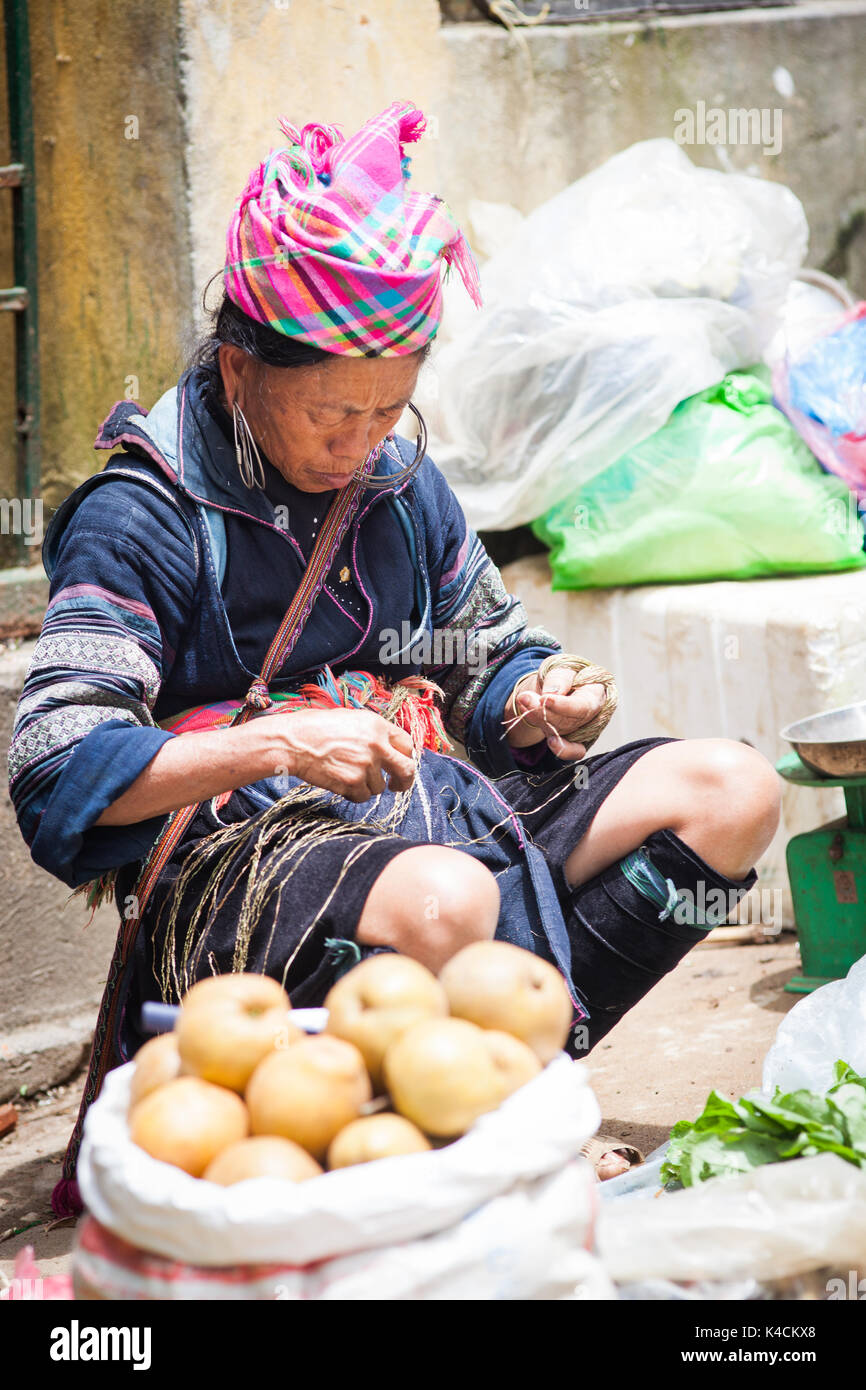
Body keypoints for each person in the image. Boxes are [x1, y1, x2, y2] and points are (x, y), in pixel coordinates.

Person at [8, 102, 781, 1211]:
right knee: (439, 900)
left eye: (386, 407)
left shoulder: (396, 481)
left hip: (435, 812)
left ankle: (512, 1088)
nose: (360, 442)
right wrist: (271, 742)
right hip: (243, 869)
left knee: (726, 789)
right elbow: (56, 775)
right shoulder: (143, 512)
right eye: (331, 410)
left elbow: (486, 659)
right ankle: (500, 1132)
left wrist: (539, 698)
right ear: (238, 371)